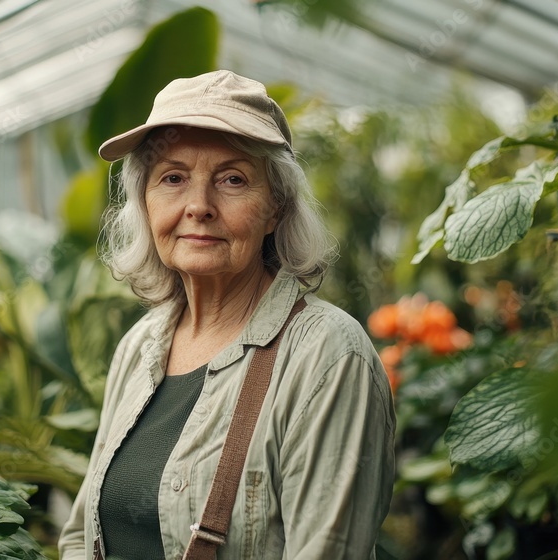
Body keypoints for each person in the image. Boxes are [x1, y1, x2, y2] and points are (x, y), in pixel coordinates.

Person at [59, 70, 395, 560]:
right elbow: (78, 537)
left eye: (232, 180)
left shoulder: (328, 357)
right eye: (172, 178)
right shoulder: (141, 345)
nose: (199, 206)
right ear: (146, 202)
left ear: (275, 207)